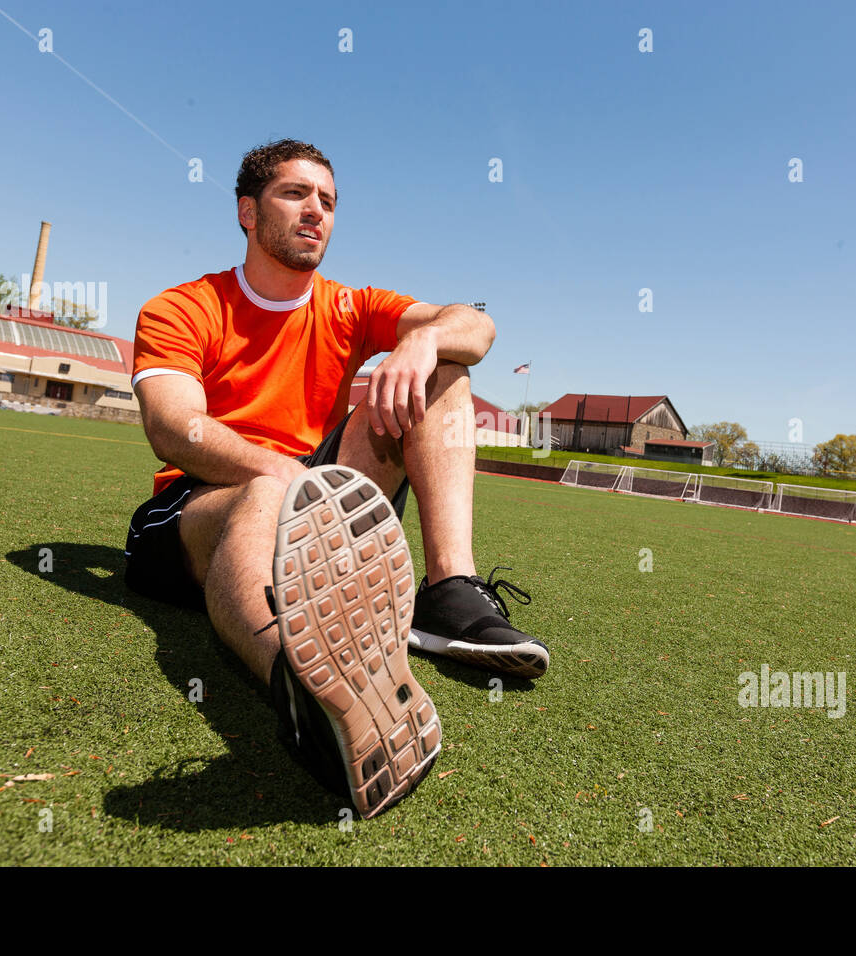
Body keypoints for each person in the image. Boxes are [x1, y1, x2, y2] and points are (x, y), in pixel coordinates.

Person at [123, 139, 548, 817]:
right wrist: (287, 477)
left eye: (328, 200)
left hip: (312, 500)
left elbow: (479, 326)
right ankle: (310, 700)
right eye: (295, 194)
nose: (316, 211)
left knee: (445, 367)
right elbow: (177, 428)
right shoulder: (183, 307)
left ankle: (447, 593)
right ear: (246, 211)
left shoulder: (351, 306)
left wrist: (423, 337)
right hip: (199, 506)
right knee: (266, 490)